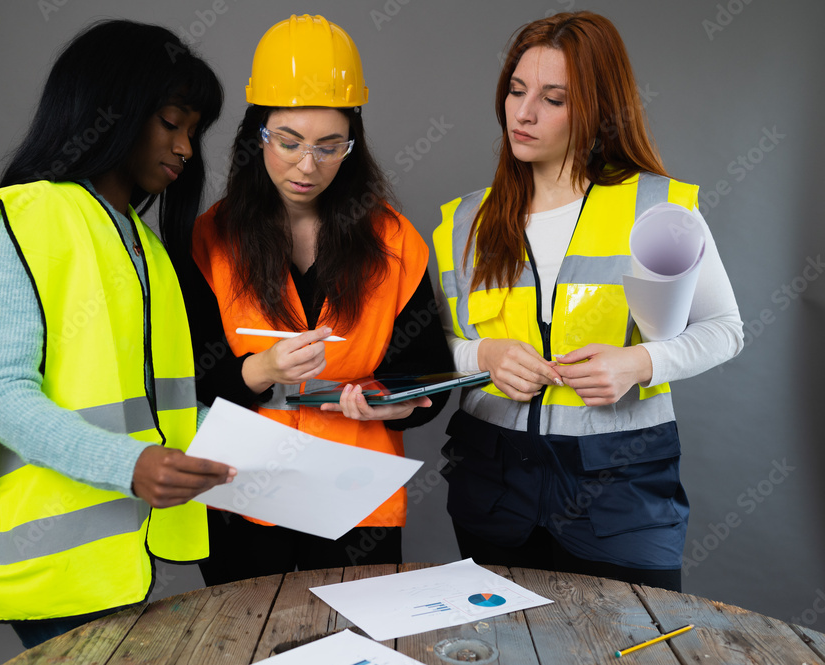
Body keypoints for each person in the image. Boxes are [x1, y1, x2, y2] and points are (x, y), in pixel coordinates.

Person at [0, 20, 236, 649]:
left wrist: (258, 448)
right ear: (112, 110)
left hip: (112, 553)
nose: (184, 148)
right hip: (41, 559)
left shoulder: (142, 245)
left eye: (193, 132)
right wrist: (132, 463)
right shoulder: (37, 215)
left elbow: (151, 404)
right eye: (171, 123)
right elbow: (3, 397)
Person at [433, 11, 743, 591]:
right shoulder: (464, 223)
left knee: (625, 647)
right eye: (516, 91)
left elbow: (725, 328)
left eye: (553, 99)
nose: (522, 114)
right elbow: (436, 350)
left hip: (620, 487)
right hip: (494, 483)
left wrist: (639, 363)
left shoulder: (657, 206)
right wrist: (484, 357)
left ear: (598, 110)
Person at [186, 14, 453, 585]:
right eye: (289, 143)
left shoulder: (394, 241)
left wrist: (398, 403)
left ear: (351, 146)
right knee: (248, 640)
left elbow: (428, 371)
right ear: (257, 135)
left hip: (356, 501)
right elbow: (188, 380)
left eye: (330, 147)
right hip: (244, 497)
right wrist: (259, 370)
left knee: (355, 644)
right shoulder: (213, 238)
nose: (308, 166)